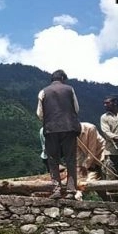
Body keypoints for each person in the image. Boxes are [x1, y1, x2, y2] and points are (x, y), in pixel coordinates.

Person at [37, 69, 81, 199]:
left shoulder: (43, 91)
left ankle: (56, 190)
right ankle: (71, 190)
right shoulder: (70, 89)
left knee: (53, 160)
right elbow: (76, 109)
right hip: (69, 128)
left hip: (51, 129)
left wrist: (50, 120)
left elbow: (39, 113)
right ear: (62, 78)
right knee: (70, 159)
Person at [100, 95, 118, 180]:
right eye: (104, 103)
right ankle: (112, 188)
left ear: (115, 103)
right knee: (111, 173)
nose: (105, 105)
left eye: (107, 103)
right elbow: (106, 132)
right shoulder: (104, 117)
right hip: (111, 150)